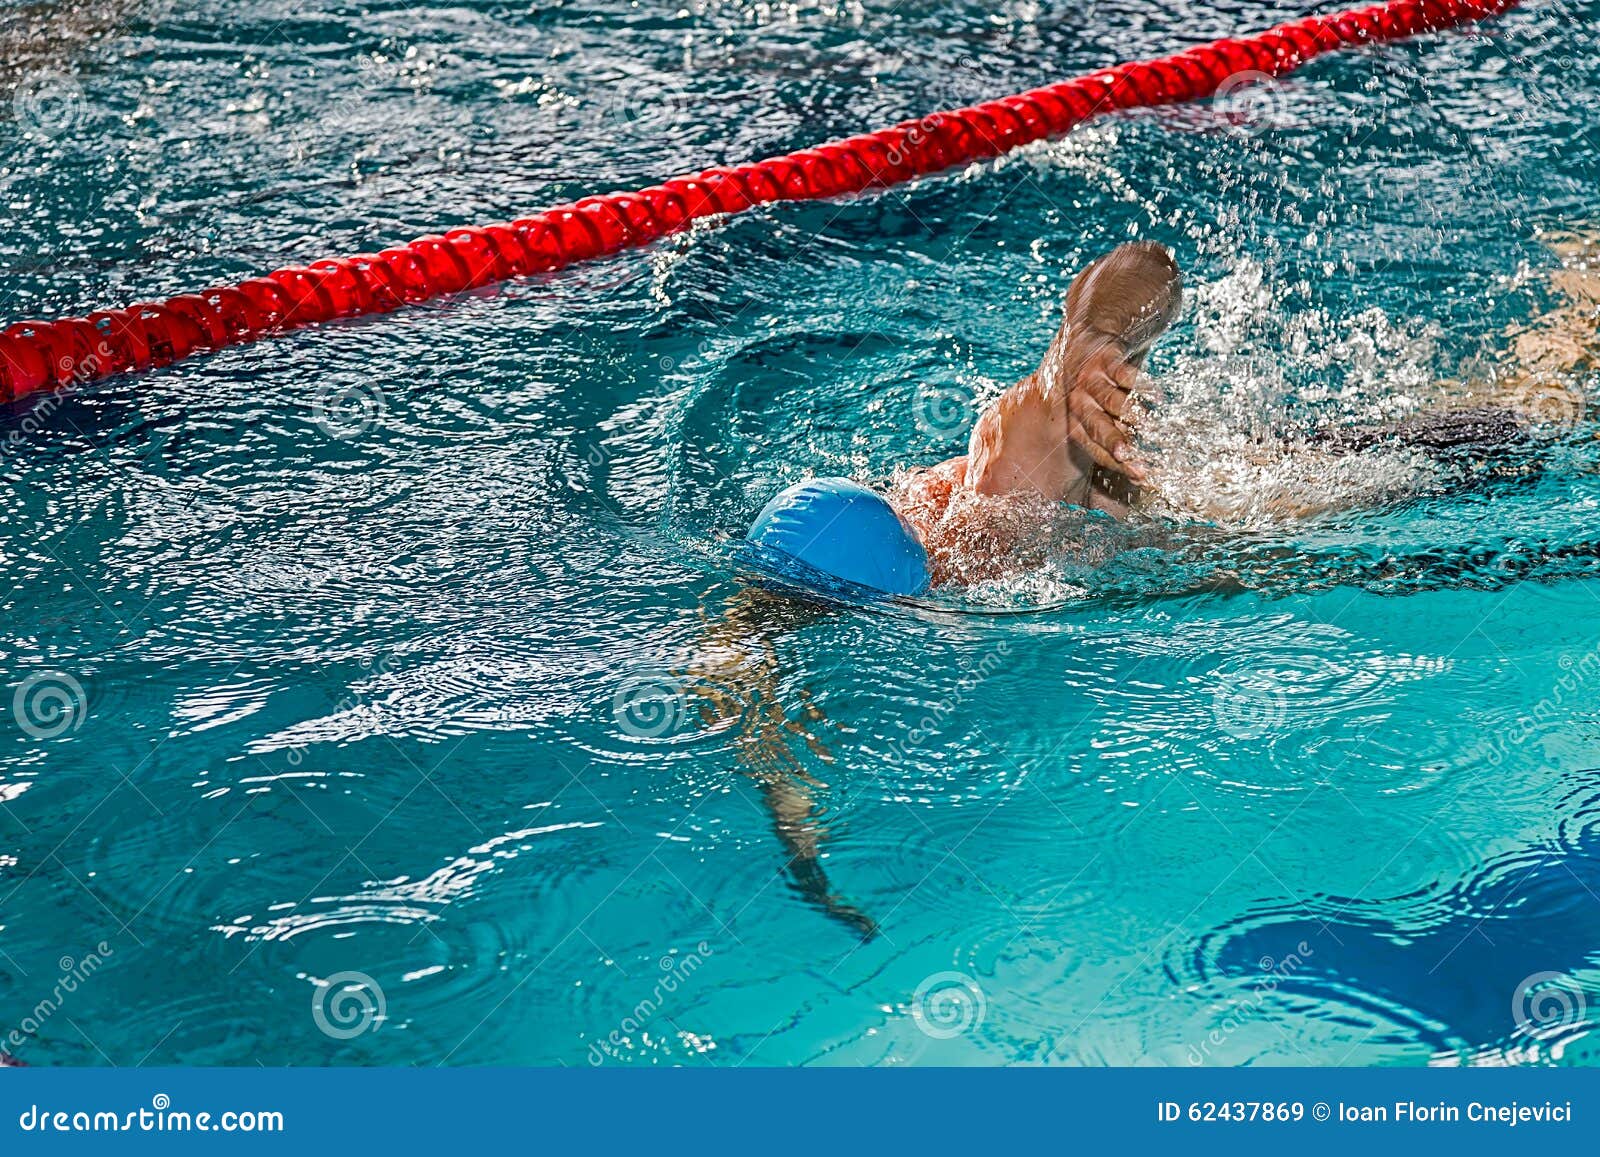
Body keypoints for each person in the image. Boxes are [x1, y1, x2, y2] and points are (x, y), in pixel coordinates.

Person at [702, 235, 1596, 938]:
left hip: (1320, 491)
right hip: (1222, 520)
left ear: (904, 591)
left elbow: (1144, 268)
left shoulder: (1004, 477)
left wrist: (1086, 343)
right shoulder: (866, 530)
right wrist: (796, 828)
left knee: (1548, 414)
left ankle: (1583, 294)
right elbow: (742, 652)